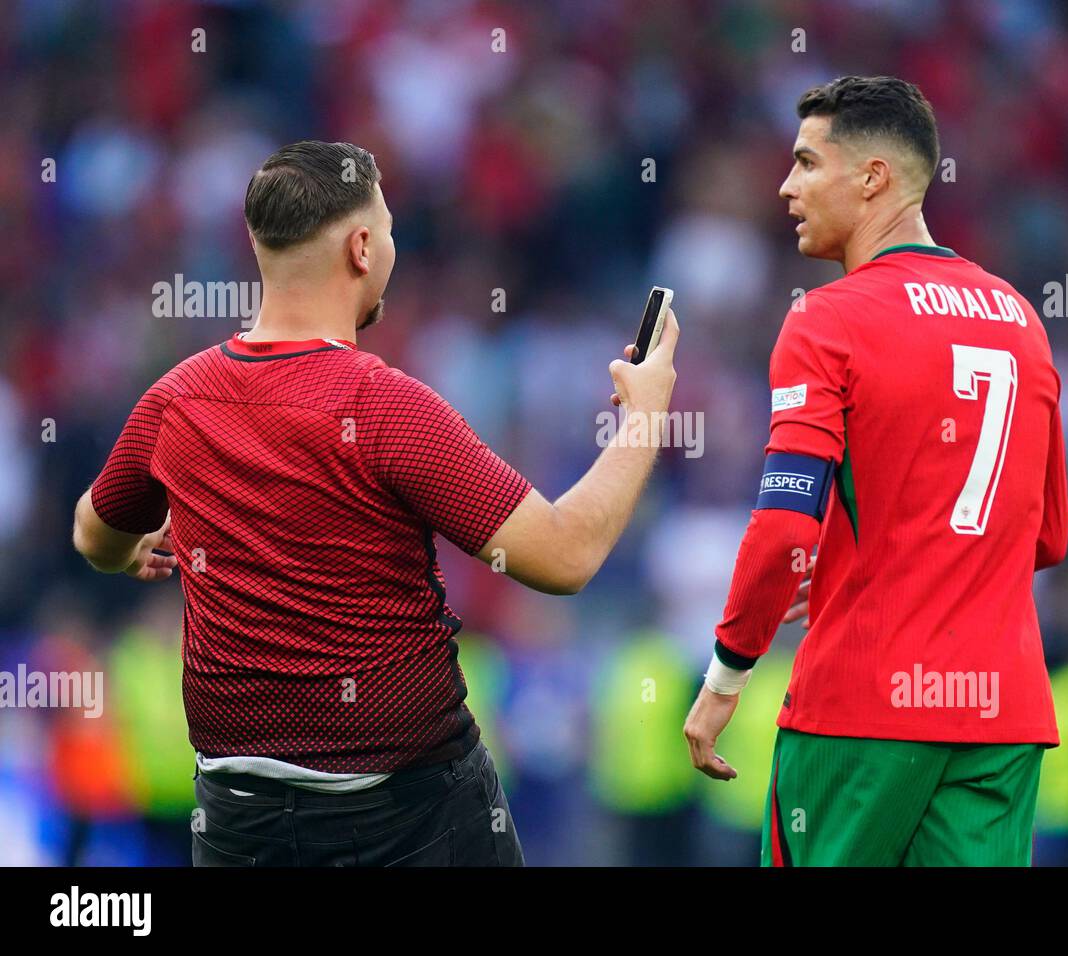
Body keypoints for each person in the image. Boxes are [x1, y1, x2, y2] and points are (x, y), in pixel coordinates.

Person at [71, 141, 678, 866]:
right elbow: (566, 555)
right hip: (412, 822)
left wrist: (134, 542)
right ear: (362, 247)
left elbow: (92, 532)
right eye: (387, 229)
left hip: (238, 828)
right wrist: (645, 415)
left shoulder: (175, 401)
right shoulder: (384, 407)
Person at [682, 76, 1068, 866]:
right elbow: (1046, 534)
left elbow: (786, 527)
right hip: (1001, 714)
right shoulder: (1020, 320)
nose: (786, 186)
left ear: (873, 178)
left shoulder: (827, 320)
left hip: (863, 709)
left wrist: (726, 675)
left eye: (805, 163)